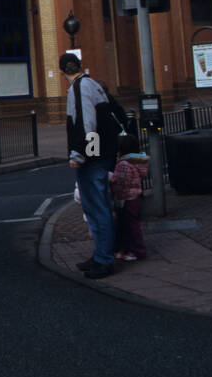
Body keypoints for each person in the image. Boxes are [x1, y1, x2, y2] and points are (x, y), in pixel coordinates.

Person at [62, 52, 118, 278]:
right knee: (97, 207)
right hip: (102, 154)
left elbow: (87, 124)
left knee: (98, 208)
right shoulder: (93, 84)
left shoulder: (79, 88)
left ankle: (105, 259)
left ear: (62, 72)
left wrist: (81, 156)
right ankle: (100, 255)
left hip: (93, 159)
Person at [111, 134, 149, 260]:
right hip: (135, 197)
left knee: (128, 226)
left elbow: (121, 183)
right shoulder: (136, 162)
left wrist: (112, 182)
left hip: (125, 199)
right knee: (132, 225)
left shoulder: (123, 164)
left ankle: (136, 251)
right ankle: (128, 249)